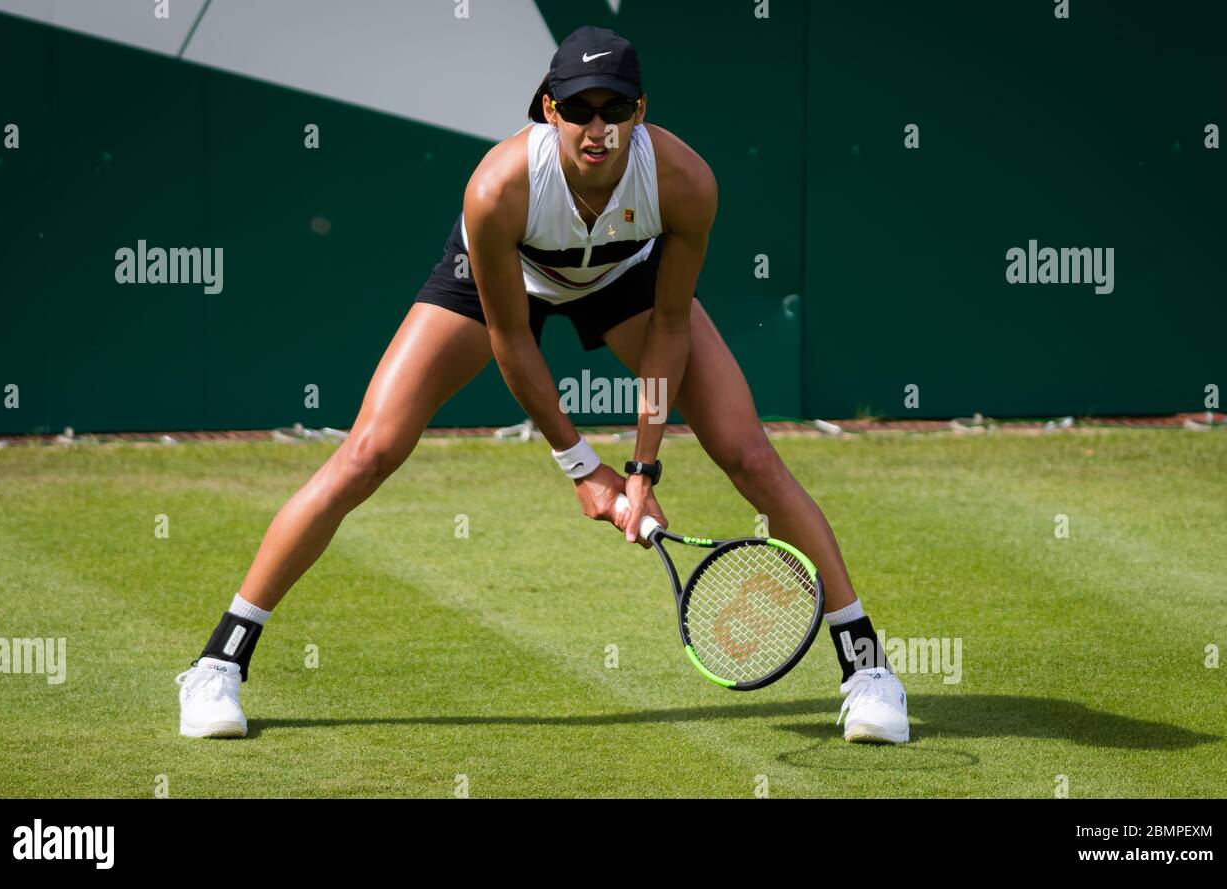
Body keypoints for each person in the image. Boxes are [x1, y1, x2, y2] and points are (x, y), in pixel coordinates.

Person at [176, 25, 909, 745]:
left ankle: (869, 672)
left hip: (623, 279)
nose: (599, 127)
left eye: (616, 109)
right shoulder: (499, 189)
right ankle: (218, 662)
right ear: (548, 109)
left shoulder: (685, 183)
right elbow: (512, 338)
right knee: (369, 450)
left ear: (640, 112)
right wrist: (582, 466)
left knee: (751, 454)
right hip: (507, 283)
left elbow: (672, 327)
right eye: (580, 107)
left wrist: (644, 465)